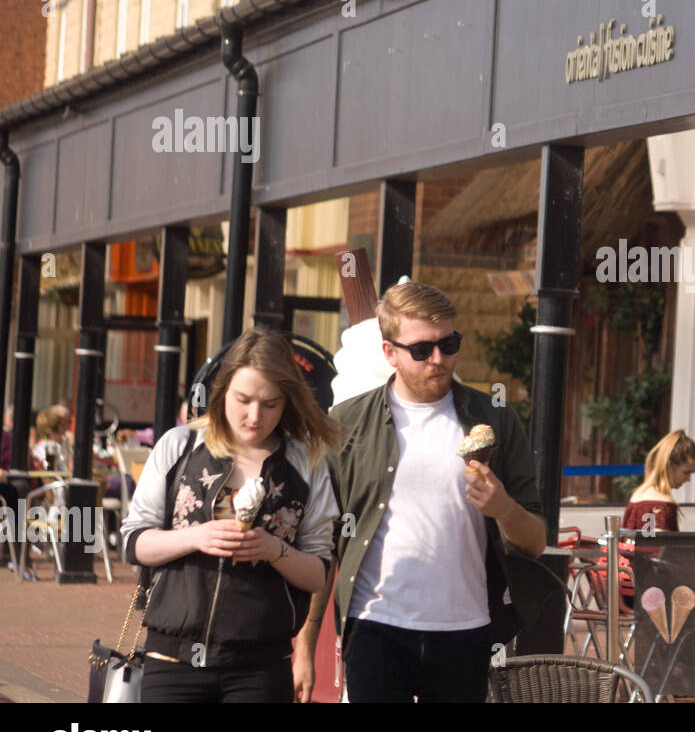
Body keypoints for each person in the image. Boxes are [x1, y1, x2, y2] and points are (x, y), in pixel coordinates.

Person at [293, 281, 546, 703]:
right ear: (389, 352)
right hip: (375, 626)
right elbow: (326, 543)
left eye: (449, 344)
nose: (438, 359)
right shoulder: (346, 423)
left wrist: (503, 508)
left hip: (464, 629)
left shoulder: (496, 419)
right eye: (421, 349)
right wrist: (305, 645)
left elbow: (536, 540)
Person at [119, 328, 342, 703]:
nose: (255, 416)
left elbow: (317, 572)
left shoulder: (306, 464)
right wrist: (195, 537)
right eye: (244, 399)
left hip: (259, 665)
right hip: (172, 659)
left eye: (270, 404)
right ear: (223, 392)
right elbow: (134, 542)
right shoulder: (181, 446)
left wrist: (274, 549)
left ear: (287, 401)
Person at [622, 429, 695, 535]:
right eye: (686, 472)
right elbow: (658, 548)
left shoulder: (637, 497)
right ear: (670, 465)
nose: (688, 479)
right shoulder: (662, 506)